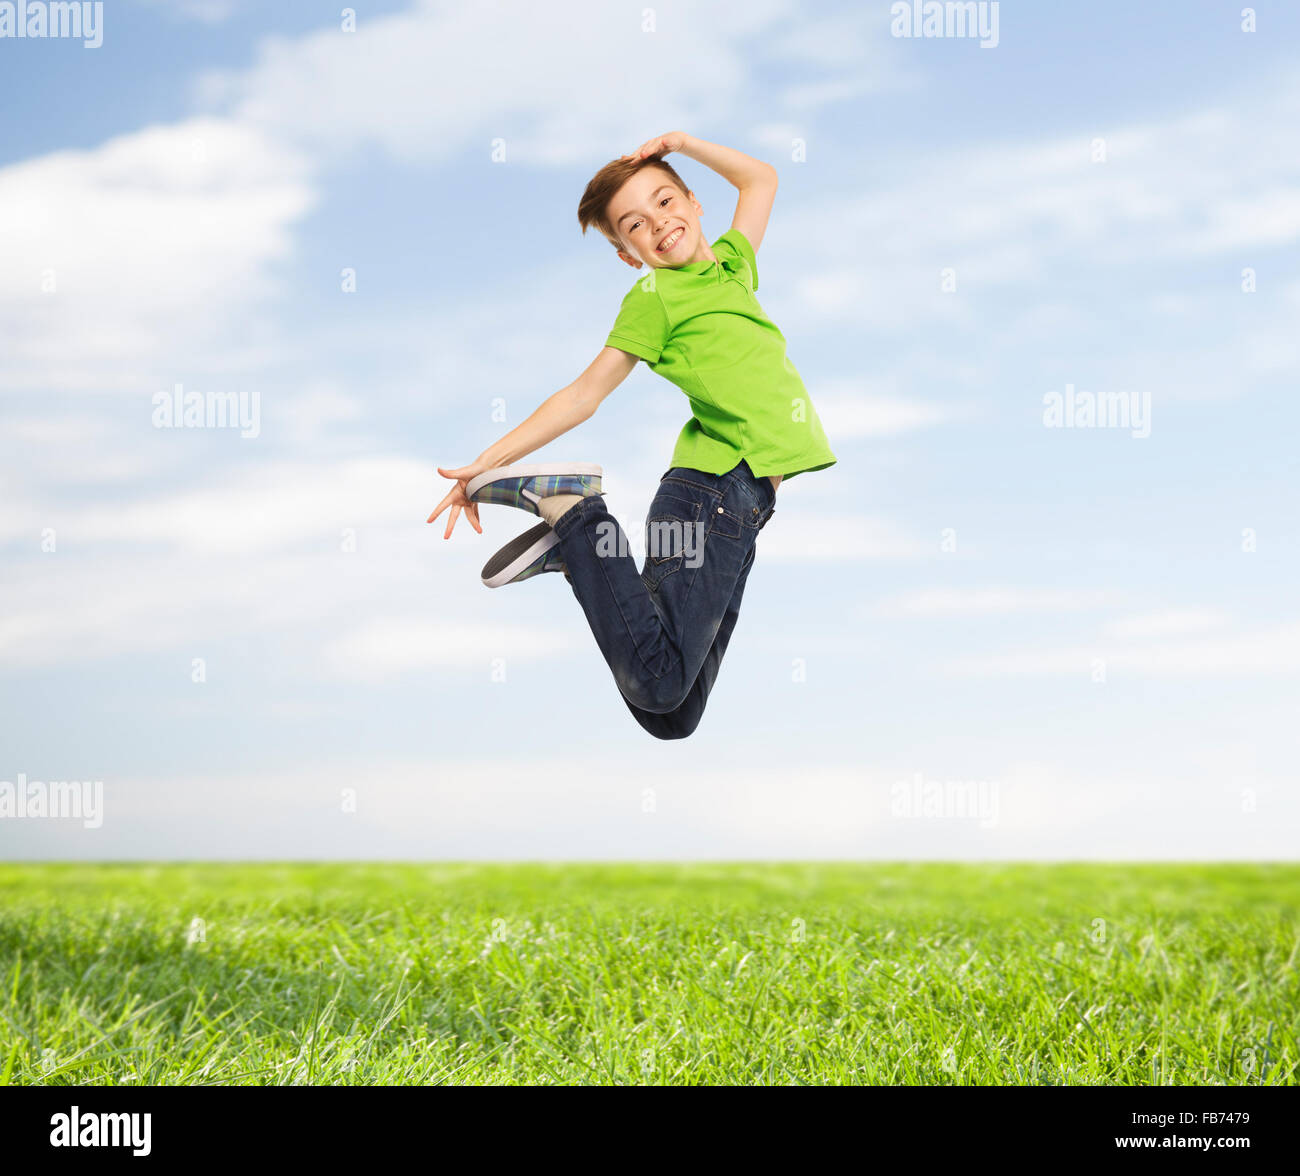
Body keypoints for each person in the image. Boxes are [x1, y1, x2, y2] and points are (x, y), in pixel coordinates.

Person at [429, 132, 836, 738]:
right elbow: (583, 395)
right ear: (628, 253)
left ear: (695, 202)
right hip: (711, 495)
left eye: (666, 201)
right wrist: (485, 466)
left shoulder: (731, 268)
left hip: (747, 509)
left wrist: (683, 142)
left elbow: (761, 179)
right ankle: (579, 516)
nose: (660, 224)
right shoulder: (656, 297)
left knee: (673, 715)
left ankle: (583, 553)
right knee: (658, 682)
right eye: (636, 225)